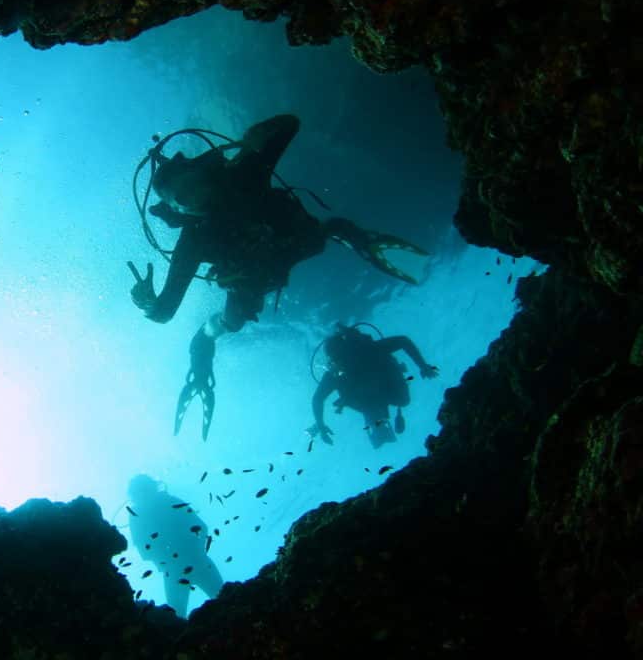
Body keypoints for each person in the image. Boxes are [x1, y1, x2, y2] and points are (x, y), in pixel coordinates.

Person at [128, 114, 426, 440]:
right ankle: (202, 353)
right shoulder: (193, 240)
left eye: (191, 184)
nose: (194, 197)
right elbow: (164, 313)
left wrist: (254, 137)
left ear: (202, 171)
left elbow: (290, 124)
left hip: (289, 243)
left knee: (327, 231)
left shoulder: (244, 173)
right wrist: (147, 302)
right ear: (177, 210)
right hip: (251, 280)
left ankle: (365, 242)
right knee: (232, 320)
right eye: (182, 199)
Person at [309, 323, 439, 448]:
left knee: (403, 401)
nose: (342, 362)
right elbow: (317, 399)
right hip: (373, 397)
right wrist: (423, 366)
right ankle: (377, 422)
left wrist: (423, 366)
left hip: (386, 388)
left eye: (341, 356)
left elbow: (403, 341)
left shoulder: (370, 349)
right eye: (336, 359)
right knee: (395, 403)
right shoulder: (336, 373)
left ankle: (376, 419)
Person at [125, 474, 223, 617]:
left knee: (224, 602)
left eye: (144, 490)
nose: (144, 495)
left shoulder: (163, 504)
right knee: (223, 602)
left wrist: (190, 555)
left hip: (183, 566)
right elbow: (201, 527)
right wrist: (195, 552)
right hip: (185, 565)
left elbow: (201, 527)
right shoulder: (140, 514)